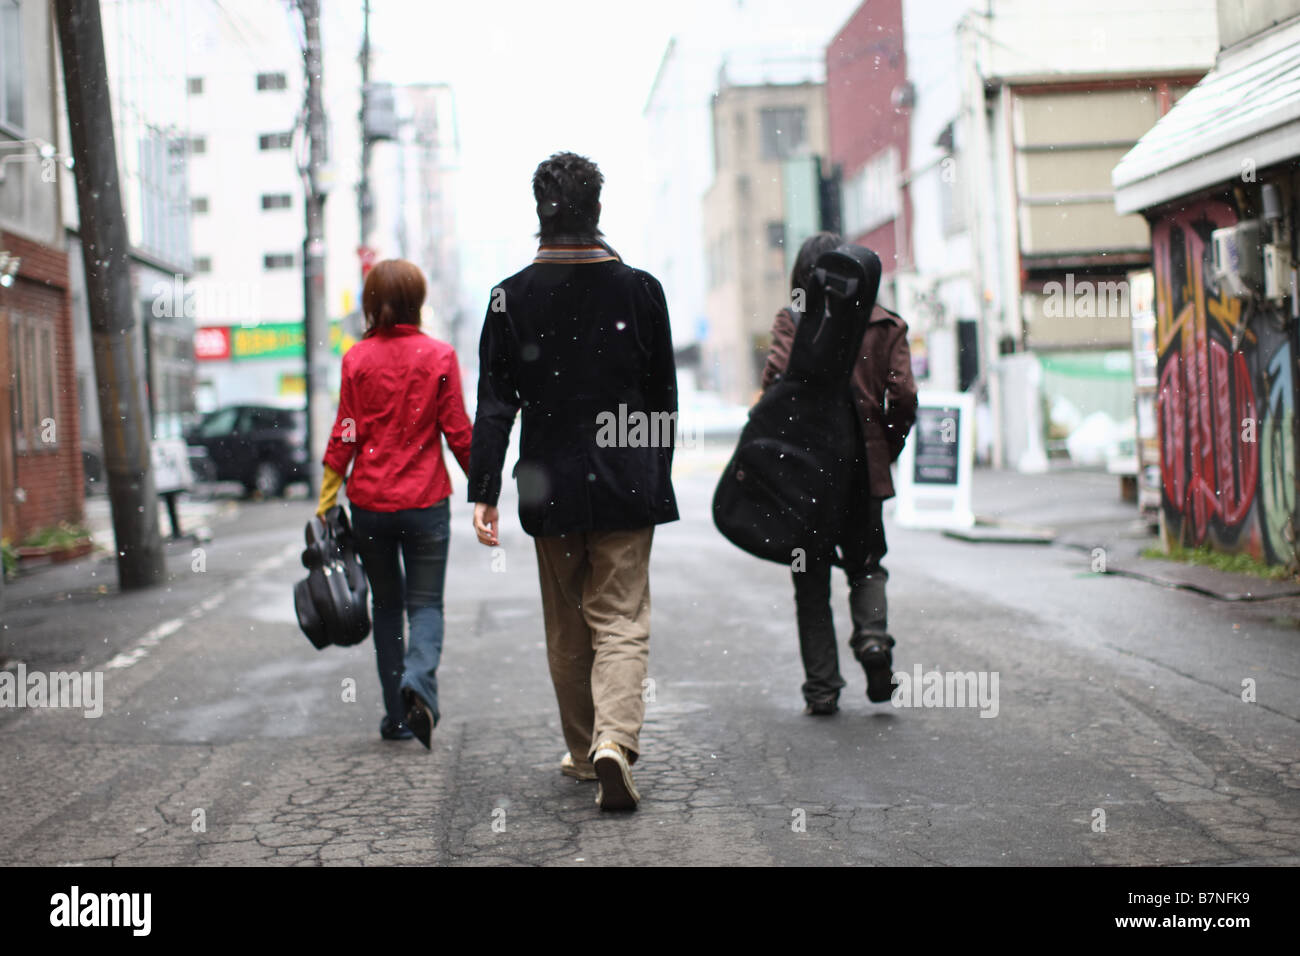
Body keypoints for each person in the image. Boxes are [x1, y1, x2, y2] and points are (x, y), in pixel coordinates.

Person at [469, 151, 678, 811]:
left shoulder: (510, 296)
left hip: (547, 480)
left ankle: (588, 750)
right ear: (598, 210)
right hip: (624, 476)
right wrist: (653, 472)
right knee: (619, 618)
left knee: (567, 625)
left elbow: (496, 403)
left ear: (540, 212)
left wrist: (483, 490)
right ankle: (615, 739)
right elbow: (661, 398)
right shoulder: (640, 290)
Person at [317, 259, 473, 749]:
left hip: (370, 505)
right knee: (425, 604)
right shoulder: (440, 356)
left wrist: (327, 497)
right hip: (427, 502)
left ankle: (397, 717)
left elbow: (346, 429)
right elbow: (458, 432)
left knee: (386, 607)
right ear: (418, 301)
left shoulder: (356, 359)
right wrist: (484, 488)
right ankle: (419, 682)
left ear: (370, 304)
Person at [761, 232, 917, 714]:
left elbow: (773, 387)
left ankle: (823, 688)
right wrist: (883, 448)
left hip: (806, 476)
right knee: (866, 564)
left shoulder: (793, 322)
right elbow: (905, 397)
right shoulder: (885, 324)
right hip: (863, 474)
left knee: (809, 581)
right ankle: (872, 639)